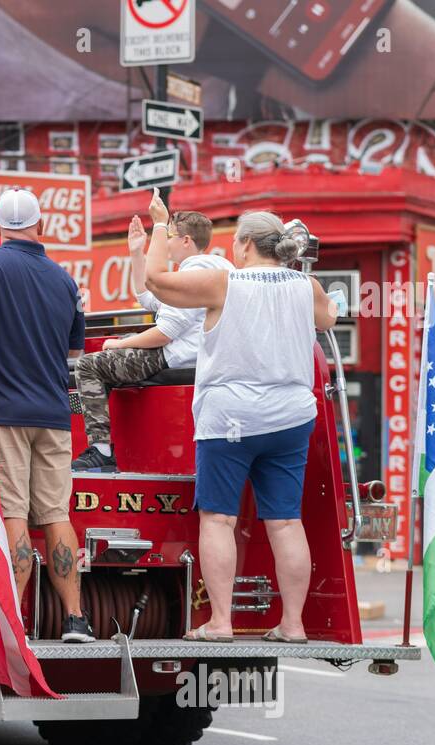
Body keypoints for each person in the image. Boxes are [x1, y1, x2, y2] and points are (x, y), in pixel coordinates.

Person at [143, 196, 337, 643]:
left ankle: (221, 622)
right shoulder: (304, 286)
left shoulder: (222, 283)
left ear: (246, 244)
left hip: (230, 417)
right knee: (286, 521)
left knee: (218, 519)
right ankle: (292, 624)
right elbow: (329, 316)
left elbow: (156, 280)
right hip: (291, 417)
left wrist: (158, 226)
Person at [0, 187, 94, 642]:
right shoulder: (63, 279)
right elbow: (74, 349)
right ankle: (75, 620)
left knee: (12, 513)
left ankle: (13, 622)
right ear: (41, 226)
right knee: (55, 513)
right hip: (53, 413)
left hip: (5, 412)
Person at [72, 211, 232, 472]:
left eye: (169, 236)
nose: (166, 242)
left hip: (178, 356)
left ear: (186, 241)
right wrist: (137, 253)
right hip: (202, 355)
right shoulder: (220, 267)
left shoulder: (192, 272)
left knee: (88, 365)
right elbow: (149, 298)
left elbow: (165, 331)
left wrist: (121, 344)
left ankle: (101, 451)